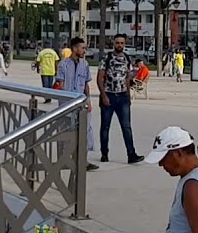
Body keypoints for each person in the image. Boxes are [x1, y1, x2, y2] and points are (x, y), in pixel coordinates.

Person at [97, 34, 143, 164]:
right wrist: (103, 95)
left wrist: (128, 95)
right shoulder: (106, 58)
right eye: (117, 43)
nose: (119, 45)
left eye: (122, 43)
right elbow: (99, 78)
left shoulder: (127, 59)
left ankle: (131, 154)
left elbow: (128, 78)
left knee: (126, 127)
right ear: (113, 43)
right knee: (105, 127)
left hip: (123, 97)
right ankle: (104, 153)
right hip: (109, 96)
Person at [54, 37, 99, 171]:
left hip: (81, 102)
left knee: (84, 131)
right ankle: (64, 160)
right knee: (66, 132)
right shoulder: (63, 65)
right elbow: (61, 85)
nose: (84, 50)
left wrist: (88, 100)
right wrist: (64, 102)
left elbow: (86, 85)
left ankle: (83, 161)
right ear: (74, 48)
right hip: (67, 104)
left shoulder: (84, 64)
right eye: (82, 48)